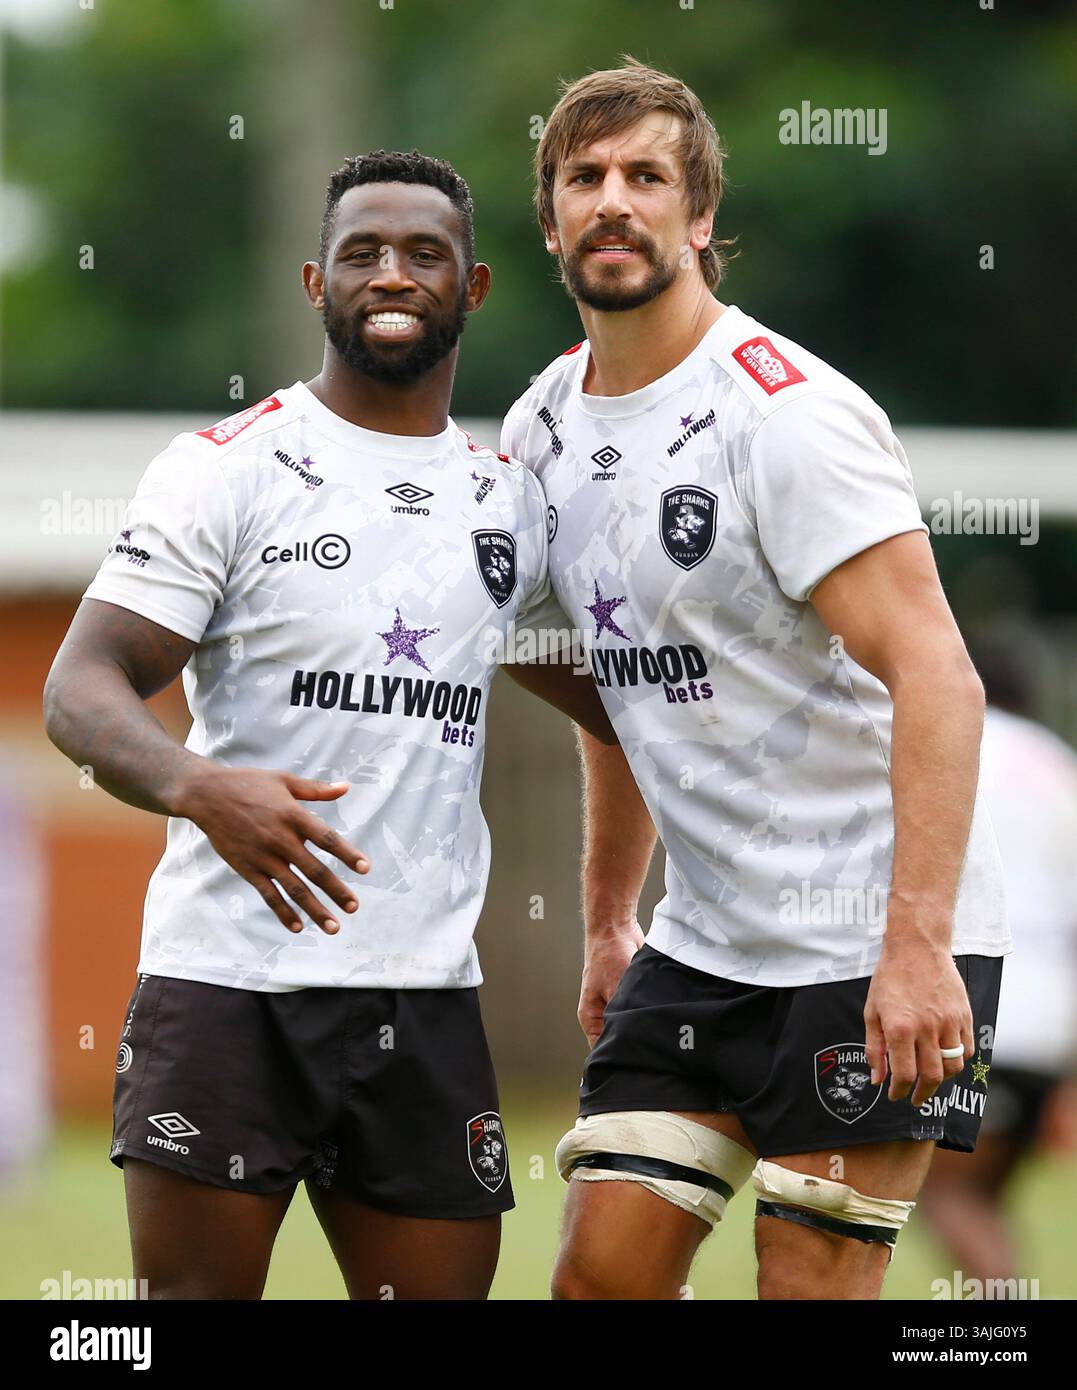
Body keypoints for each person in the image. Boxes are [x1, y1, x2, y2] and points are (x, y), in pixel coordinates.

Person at [43, 150, 613, 1301]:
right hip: (226, 987)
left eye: (423, 254)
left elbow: (623, 700)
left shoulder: (509, 501)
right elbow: (81, 686)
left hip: (422, 995)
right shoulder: (230, 469)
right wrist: (205, 788)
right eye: (362, 253)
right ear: (316, 283)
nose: (391, 275)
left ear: (476, 284)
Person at [501, 59, 1009, 1300]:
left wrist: (917, 946)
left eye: (647, 176)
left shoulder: (783, 417)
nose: (613, 200)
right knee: (599, 1280)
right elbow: (612, 691)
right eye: (585, 177)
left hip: (869, 933)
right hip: (706, 941)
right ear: (554, 219)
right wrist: (613, 915)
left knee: (807, 1288)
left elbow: (941, 677)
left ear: (701, 217)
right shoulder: (540, 431)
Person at [919, 646, 1077, 1287]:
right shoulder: (1058, 765)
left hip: (976, 1012)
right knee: (982, 1198)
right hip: (1049, 1022)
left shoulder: (945, 749)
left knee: (949, 1194)